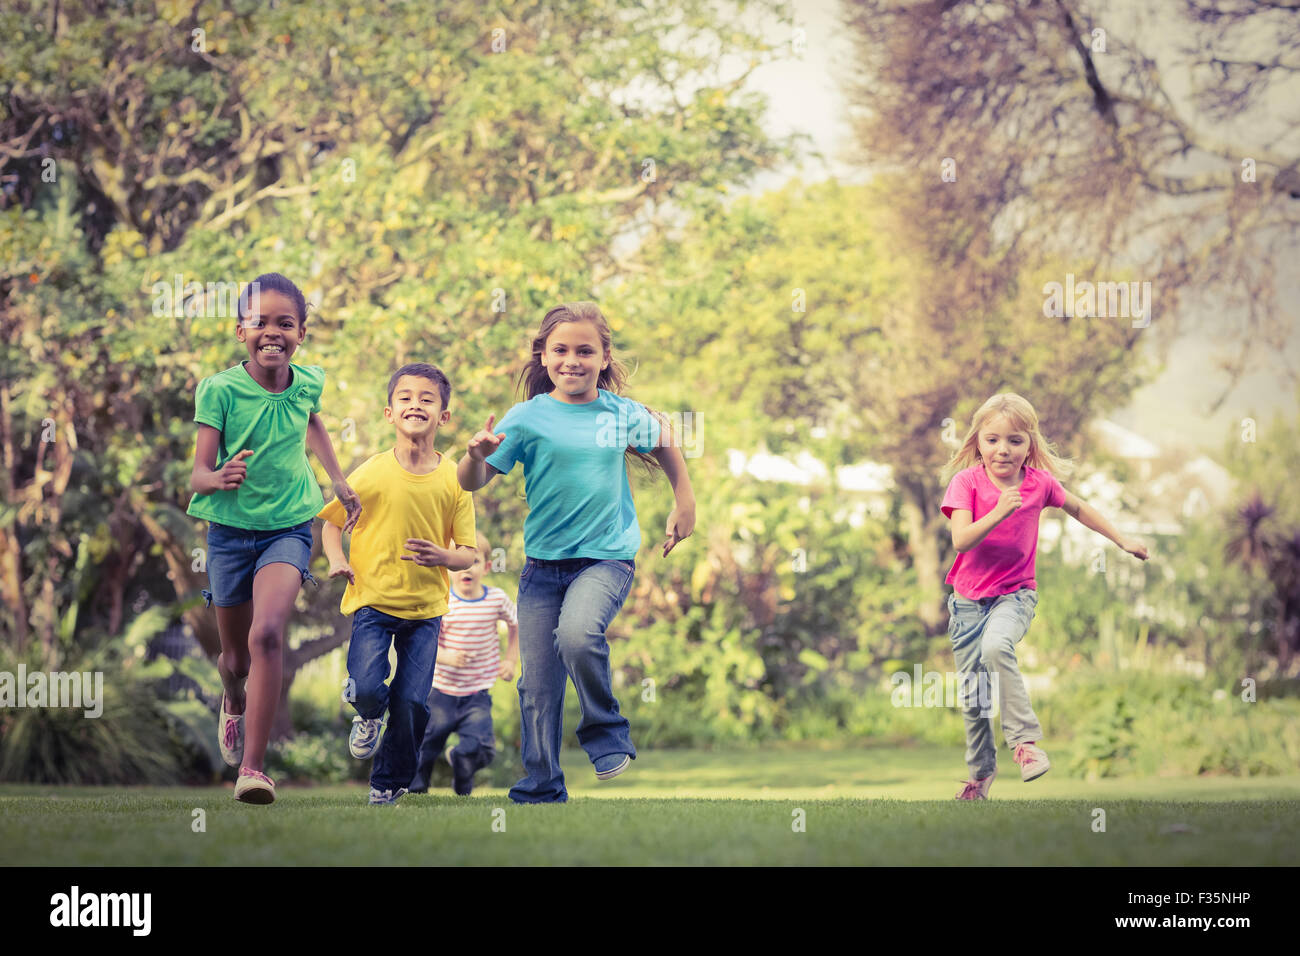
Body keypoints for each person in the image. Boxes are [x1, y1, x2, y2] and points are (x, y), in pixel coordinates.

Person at [458, 301, 696, 803]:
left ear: (604, 357)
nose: (573, 360)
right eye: (561, 350)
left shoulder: (618, 414)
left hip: (605, 559)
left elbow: (666, 439)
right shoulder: (527, 418)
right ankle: (541, 786)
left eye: (586, 351)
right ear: (543, 356)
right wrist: (473, 457)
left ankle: (606, 732)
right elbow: (472, 482)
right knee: (537, 688)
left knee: (578, 634)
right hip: (543, 568)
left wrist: (685, 500)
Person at [188, 273, 361, 805]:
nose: (271, 331)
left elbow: (312, 424)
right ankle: (232, 695)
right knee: (236, 658)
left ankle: (254, 770)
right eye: (259, 321)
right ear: (240, 330)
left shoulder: (307, 382)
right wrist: (217, 478)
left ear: (301, 332)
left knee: (268, 634)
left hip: (289, 526)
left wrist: (336, 477)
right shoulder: (219, 389)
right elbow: (197, 473)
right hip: (229, 534)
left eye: (284, 322)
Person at [940, 393, 1148, 799]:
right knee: (975, 698)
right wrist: (999, 511)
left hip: (1015, 596)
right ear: (978, 442)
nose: (1003, 449)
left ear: (1030, 445)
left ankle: (1026, 744)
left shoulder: (1039, 484)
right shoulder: (965, 483)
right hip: (967, 603)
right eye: (993, 439)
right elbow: (961, 540)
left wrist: (1121, 539)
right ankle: (980, 779)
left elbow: (1080, 508)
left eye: (1015, 440)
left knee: (998, 646)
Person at [319, 363, 478, 805]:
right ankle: (367, 714)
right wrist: (336, 560)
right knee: (369, 686)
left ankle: (388, 783)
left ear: (443, 416)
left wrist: (442, 557)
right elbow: (331, 524)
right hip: (373, 599)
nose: (415, 405)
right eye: (405, 398)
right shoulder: (371, 471)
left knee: (412, 704)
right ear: (389, 413)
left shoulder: (455, 480)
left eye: (427, 399)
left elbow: (468, 553)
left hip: (426, 610)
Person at [409, 531, 519, 796]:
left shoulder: (496, 599)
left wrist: (510, 661)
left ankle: (462, 768)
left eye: (475, 562)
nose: (467, 569)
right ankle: (416, 787)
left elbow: (516, 625)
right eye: (460, 564)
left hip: (476, 694)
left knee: (482, 747)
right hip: (441, 692)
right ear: (448, 566)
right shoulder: (442, 599)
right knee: (425, 744)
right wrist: (445, 656)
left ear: (487, 566)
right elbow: (424, 640)